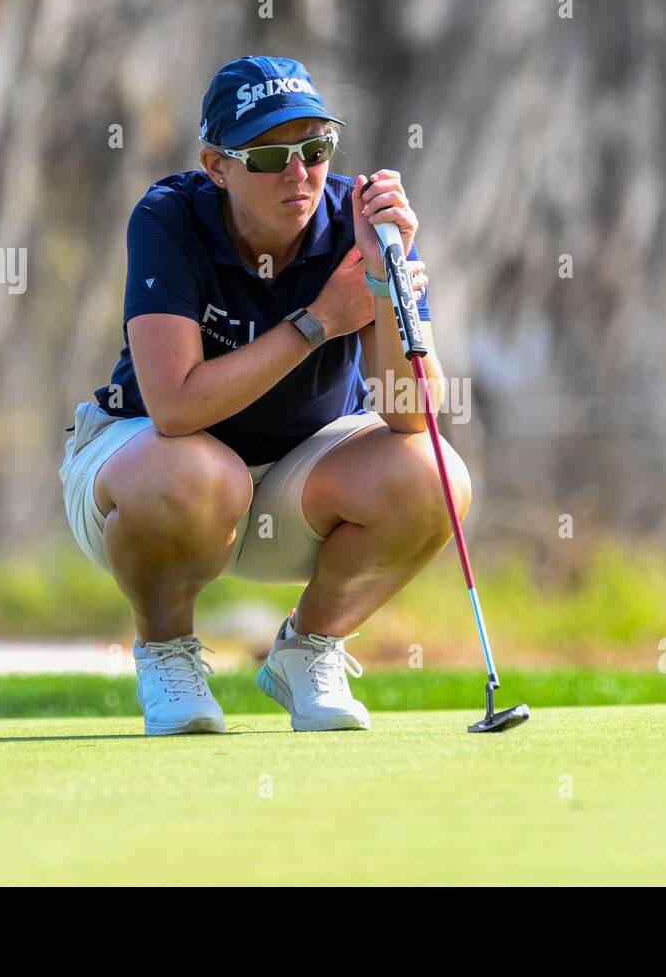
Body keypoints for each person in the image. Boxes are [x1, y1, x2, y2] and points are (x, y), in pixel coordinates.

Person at [58, 55, 471, 734]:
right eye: (271, 153)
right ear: (216, 165)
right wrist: (319, 322)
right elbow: (175, 407)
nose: (299, 171)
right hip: (147, 474)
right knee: (196, 471)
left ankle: (307, 651)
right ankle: (166, 651)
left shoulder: (357, 223)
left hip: (295, 483)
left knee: (438, 476)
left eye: (315, 148)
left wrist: (384, 280)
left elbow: (409, 410)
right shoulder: (169, 219)